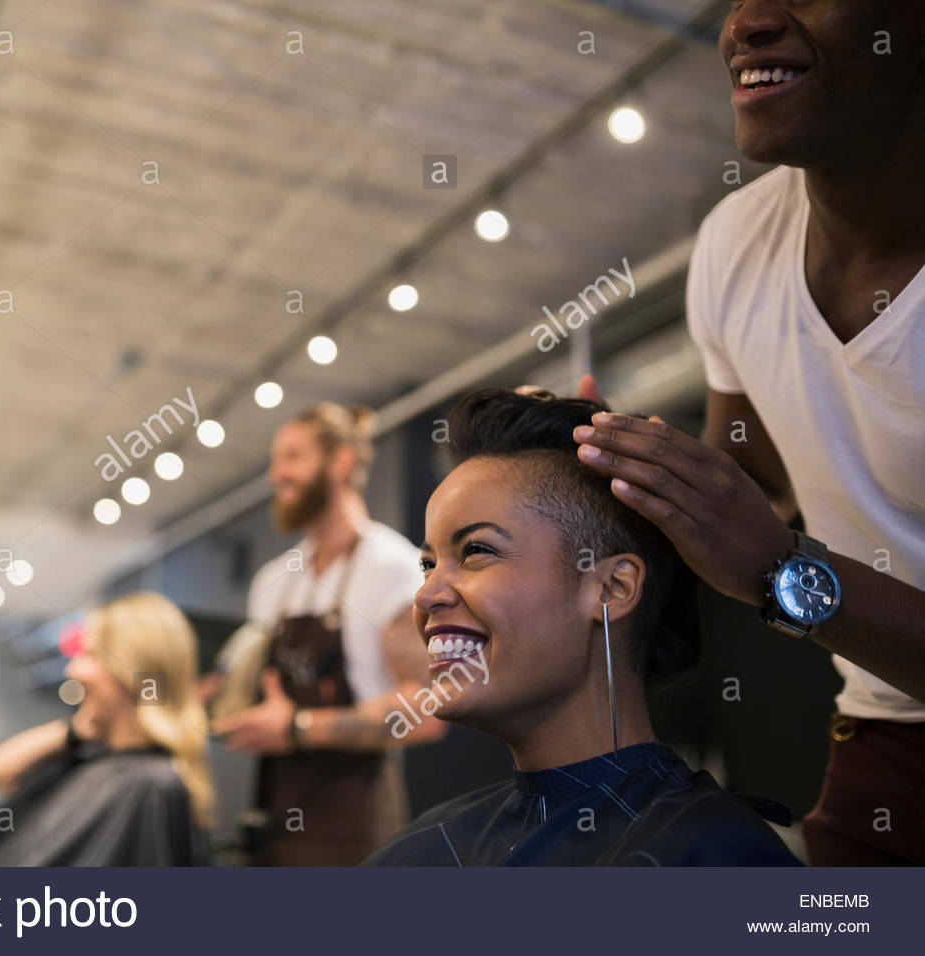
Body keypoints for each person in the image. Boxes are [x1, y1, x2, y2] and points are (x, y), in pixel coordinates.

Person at [565, 0, 925, 864]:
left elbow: (763, 545)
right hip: (884, 747)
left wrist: (778, 570)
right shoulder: (736, 242)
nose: (748, 22)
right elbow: (751, 466)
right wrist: (623, 465)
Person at [365, 389, 800, 866]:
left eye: (475, 551)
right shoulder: (426, 849)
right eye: (428, 564)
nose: (426, 596)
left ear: (612, 588)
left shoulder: (714, 855)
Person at [213, 402, 445, 866]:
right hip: (275, 819)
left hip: (356, 826)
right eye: (276, 460)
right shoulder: (275, 581)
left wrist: (300, 728)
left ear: (340, 461)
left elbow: (426, 709)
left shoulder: (392, 568)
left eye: (293, 456)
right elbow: (244, 683)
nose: (276, 473)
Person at [0, 591, 213, 866]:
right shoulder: (91, 758)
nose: (73, 670)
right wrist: (75, 730)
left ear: (133, 671)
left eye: (91, 656)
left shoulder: (147, 786)